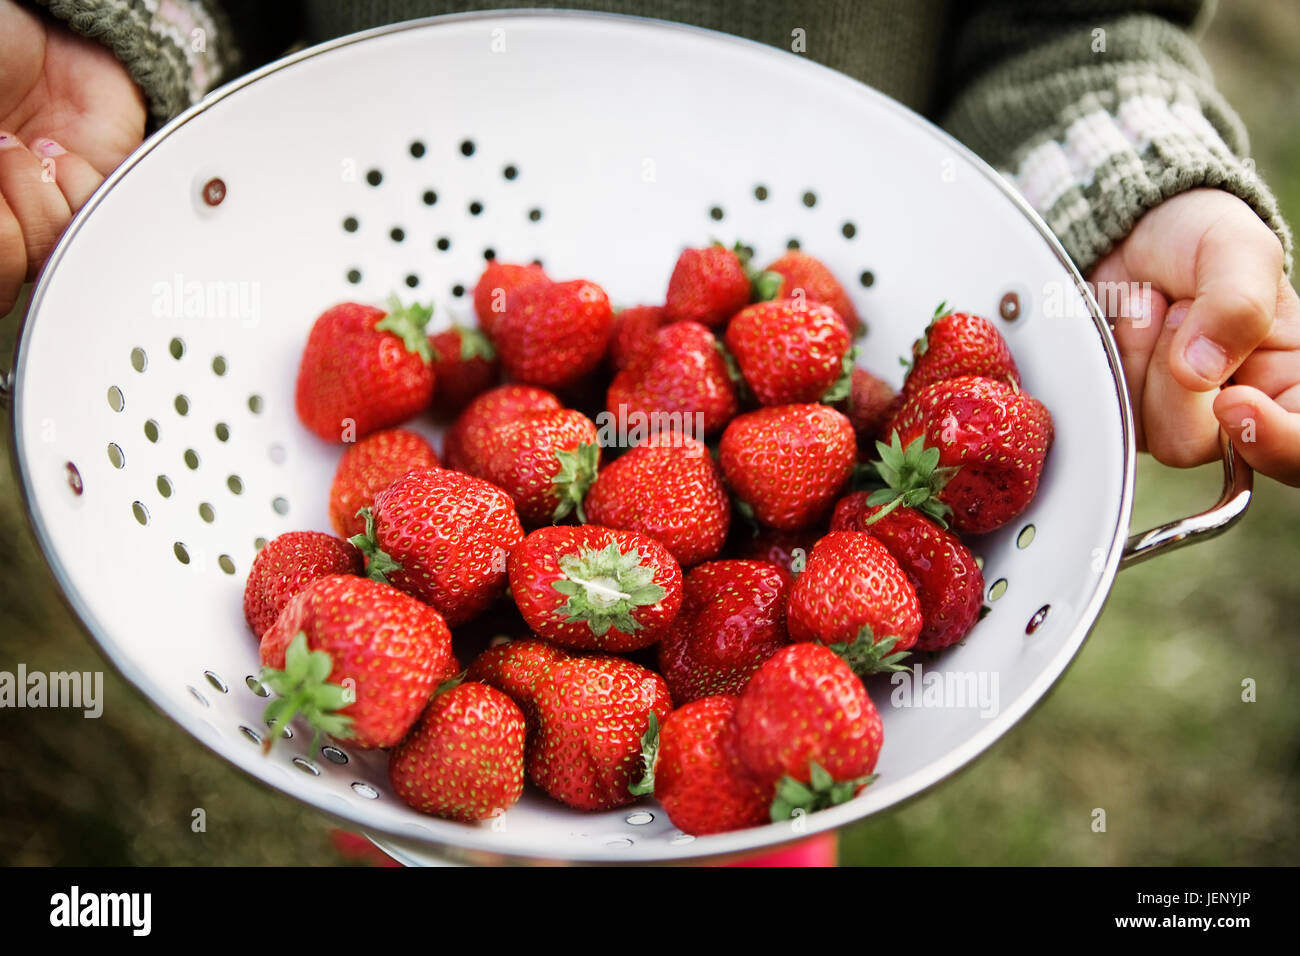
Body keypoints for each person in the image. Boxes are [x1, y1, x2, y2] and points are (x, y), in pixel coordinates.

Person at [0, 0, 1295, 866]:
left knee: (749, 805)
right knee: (430, 830)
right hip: (464, 739)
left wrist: (1129, 181)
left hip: (749, 758)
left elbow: (1072, 24)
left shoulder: (778, 616)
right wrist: (117, 33)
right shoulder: (452, 613)